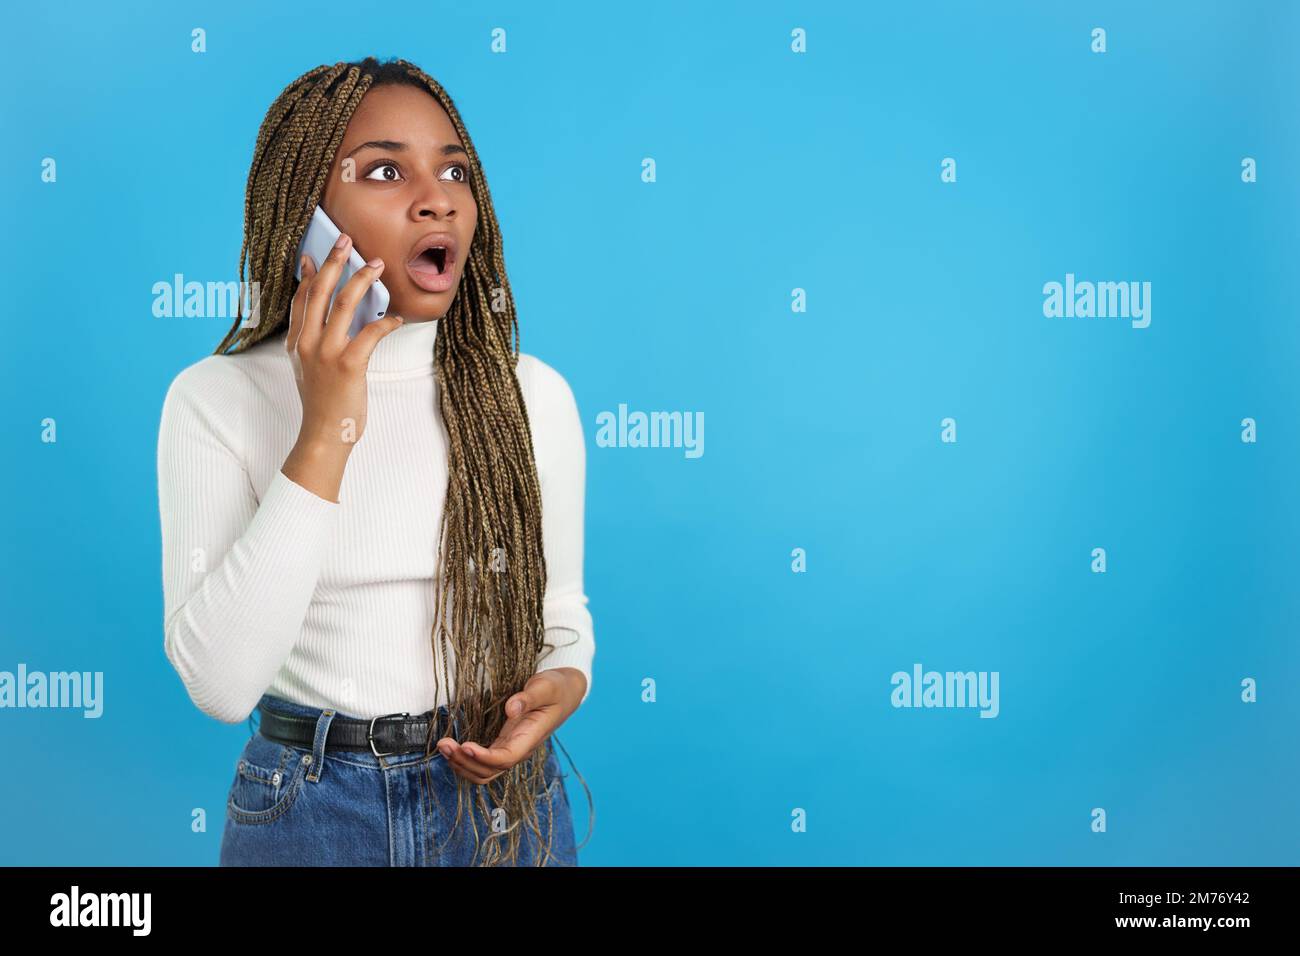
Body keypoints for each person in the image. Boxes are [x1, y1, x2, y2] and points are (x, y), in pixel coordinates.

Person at [156, 57, 594, 867]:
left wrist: (563, 681)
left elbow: (559, 619)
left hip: (495, 807)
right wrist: (326, 428)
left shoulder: (531, 397)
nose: (437, 197)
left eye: (454, 169)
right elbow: (221, 687)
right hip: (311, 808)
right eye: (386, 170)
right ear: (307, 213)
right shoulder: (214, 399)